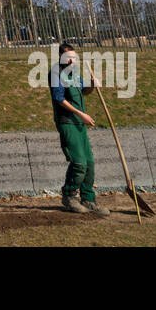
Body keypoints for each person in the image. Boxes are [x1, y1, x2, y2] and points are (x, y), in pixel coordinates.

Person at [50, 43, 109, 215]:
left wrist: (92, 85)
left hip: (80, 123)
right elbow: (59, 99)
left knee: (89, 163)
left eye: (75, 57)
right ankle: (69, 196)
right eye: (70, 57)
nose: (73, 60)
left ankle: (88, 199)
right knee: (79, 163)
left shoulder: (74, 73)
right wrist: (81, 114)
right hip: (68, 122)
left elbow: (84, 91)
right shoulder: (55, 73)